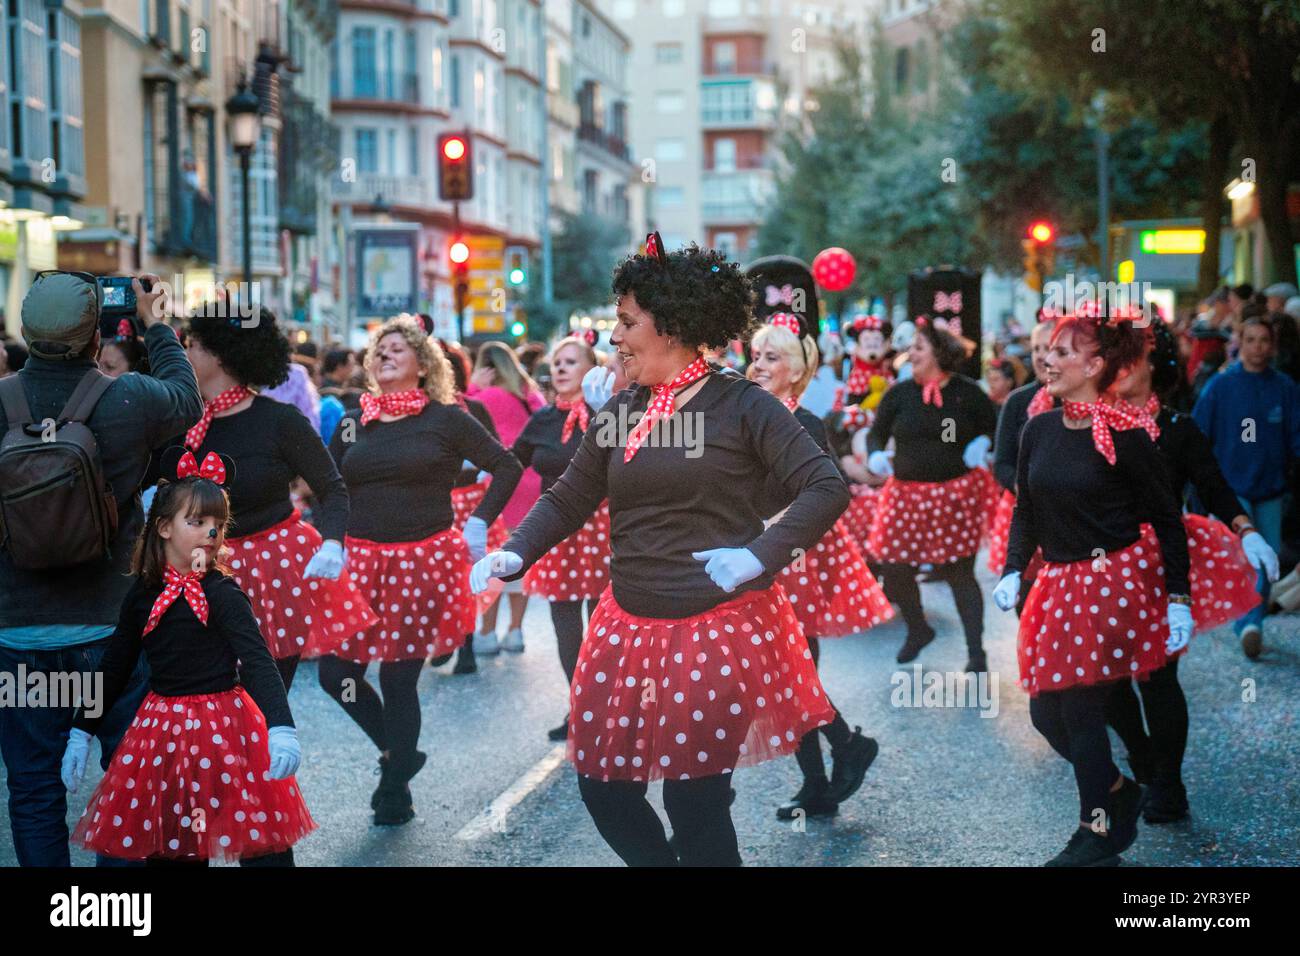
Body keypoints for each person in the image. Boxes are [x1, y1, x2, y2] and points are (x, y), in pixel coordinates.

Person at [471, 238, 848, 866]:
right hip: (624, 626)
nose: (614, 337)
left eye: (626, 322)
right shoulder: (622, 411)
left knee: (694, 805)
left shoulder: (743, 404)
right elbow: (568, 499)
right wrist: (516, 551)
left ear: (672, 326)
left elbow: (825, 485)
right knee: (601, 787)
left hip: (716, 629)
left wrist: (759, 555)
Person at [0, 272, 203, 866]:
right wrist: (156, 322)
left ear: (25, 333)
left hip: (17, 633)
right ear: (95, 335)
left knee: (33, 788)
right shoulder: (129, 398)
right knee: (131, 783)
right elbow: (188, 401)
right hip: (110, 632)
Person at [992, 310, 1191, 867]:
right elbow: (1025, 511)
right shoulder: (1038, 428)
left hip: (1112, 585)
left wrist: (1179, 599)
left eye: (1061, 353)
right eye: (1047, 351)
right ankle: (1120, 793)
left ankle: (1097, 833)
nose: (1046, 361)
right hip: (1055, 584)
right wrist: (1012, 569)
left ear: (1096, 365)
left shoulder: (1127, 434)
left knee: (1079, 711)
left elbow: (1167, 519)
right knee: (1045, 715)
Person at [61, 449, 313, 865]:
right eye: (196, 523)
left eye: (217, 526)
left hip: (229, 728)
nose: (209, 535)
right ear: (162, 527)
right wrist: (80, 731)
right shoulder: (142, 596)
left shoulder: (223, 593)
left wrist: (281, 727)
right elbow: (114, 667)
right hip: (163, 734)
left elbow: (257, 659)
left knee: (262, 846)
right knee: (175, 846)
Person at [325, 317, 522, 826]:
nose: (385, 355)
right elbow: (329, 485)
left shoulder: (445, 418)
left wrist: (478, 524)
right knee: (336, 673)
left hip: (420, 561)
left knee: (397, 677)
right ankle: (399, 751)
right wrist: (328, 540)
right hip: (361, 560)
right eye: (379, 349)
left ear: (422, 363)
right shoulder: (353, 419)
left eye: (397, 348)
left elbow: (507, 466)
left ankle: (394, 788)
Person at [1104, 320, 1277, 823]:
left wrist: (1247, 531)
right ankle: (1142, 759)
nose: (1118, 366)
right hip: (1103, 564)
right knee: (1110, 681)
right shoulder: (1092, 423)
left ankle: (1168, 785)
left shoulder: (1178, 428)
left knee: (1157, 679)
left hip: (1163, 563)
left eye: (1130, 356)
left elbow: (1214, 486)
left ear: (1154, 367)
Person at [160, 304, 376, 690]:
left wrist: (331, 543)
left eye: (191, 345)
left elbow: (331, 487)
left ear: (221, 355)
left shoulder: (279, 420)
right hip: (195, 573)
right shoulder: (181, 423)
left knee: (262, 701)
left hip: (273, 574)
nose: (184, 353)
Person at [747, 314, 890, 821]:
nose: (758, 365)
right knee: (784, 672)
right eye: (756, 355)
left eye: (771, 357)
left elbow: (825, 492)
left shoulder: (802, 421)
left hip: (792, 558)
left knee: (790, 670)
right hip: (757, 556)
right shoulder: (747, 413)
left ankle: (840, 753)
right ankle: (824, 774)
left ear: (797, 371)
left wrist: (770, 529)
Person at [865, 318, 998, 671]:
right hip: (906, 495)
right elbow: (875, 433)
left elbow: (996, 426)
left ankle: (975, 651)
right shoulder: (899, 393)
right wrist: (876, 452)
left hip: (954, 495)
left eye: (919, 347)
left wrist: (985, 441)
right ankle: (918, 628)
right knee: (894, 567)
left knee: (958, 573)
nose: (911, 353)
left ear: (939, 353)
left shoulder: (967, 392)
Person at [511, 333, 612, 740]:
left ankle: (611, 709)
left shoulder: (609, 410)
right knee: (566, 626)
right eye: (557, 362)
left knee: (605, 625)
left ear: (592, 369)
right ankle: (582, 710)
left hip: (605, 526)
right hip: (558, 528)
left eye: (571, 361)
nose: (561, 368)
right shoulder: (544, 419)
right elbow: (507, 464)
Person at [1192, 316, 1297, 658]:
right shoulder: (1221, 387)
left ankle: (1250, 621)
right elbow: (1198, 435)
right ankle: (1248, 622)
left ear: (1273, 345)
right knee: (1248, 557)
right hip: (1231, 487)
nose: (1257, 347)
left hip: (1271, 487)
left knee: (1267, 559)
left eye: (1263, 340)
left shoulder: (1285, 388)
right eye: (1250, 340)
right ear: (1240, 343)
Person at [438, 337, 512, 676]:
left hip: (468, 503)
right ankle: (447, 639)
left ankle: (462, 643)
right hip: (438, 503)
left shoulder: (472, 408)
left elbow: (498, 457)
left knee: (464, 578)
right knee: (441, 581)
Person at [468, 341, 547, 655]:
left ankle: (486, 634)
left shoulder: (483, 397)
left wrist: (474, 388)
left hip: (499, 485)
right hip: (532, 483)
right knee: (520, 559)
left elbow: (460, 420)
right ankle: (516, 631)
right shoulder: (532, 397)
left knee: (493, 559)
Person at [988, 311, 1059, 586]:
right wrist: (1023, 488)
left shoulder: (1082, 400)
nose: (1042, 356)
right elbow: (1002, 462)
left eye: (1050, 347)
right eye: (1037, 348)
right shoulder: (1017, 401)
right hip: (1024, 512)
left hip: (1069, 516)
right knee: (1026, 595)